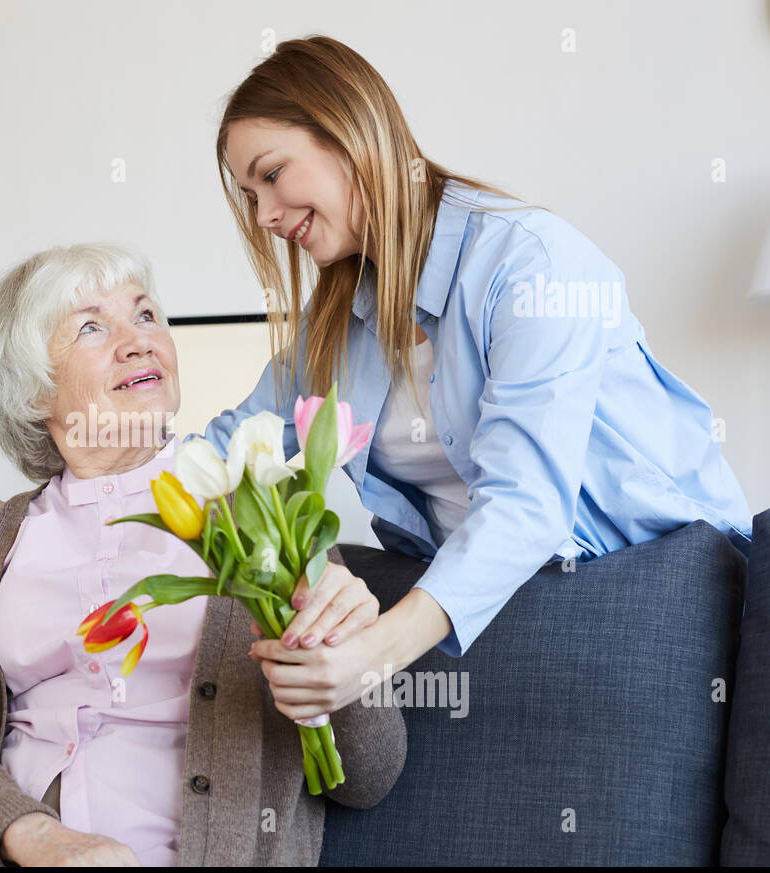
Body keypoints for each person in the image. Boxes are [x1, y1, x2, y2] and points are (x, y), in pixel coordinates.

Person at [188, 34, 753, 710]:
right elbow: (234, 446)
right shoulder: (339, 315)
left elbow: (526, 503)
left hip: (655, 595)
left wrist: (376, 652)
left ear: (349, 134)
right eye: (251, 196)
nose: (267, 217)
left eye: (272, 175)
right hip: (499, 613)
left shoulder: (531, 266)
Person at [0, 243, 405, 868]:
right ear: (34, 390)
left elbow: (368, 776)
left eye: (146, 316)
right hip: (1, 848)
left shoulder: (262, 510)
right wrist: (31, 835)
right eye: (92, 326)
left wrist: (350, 657)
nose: (138, 341)